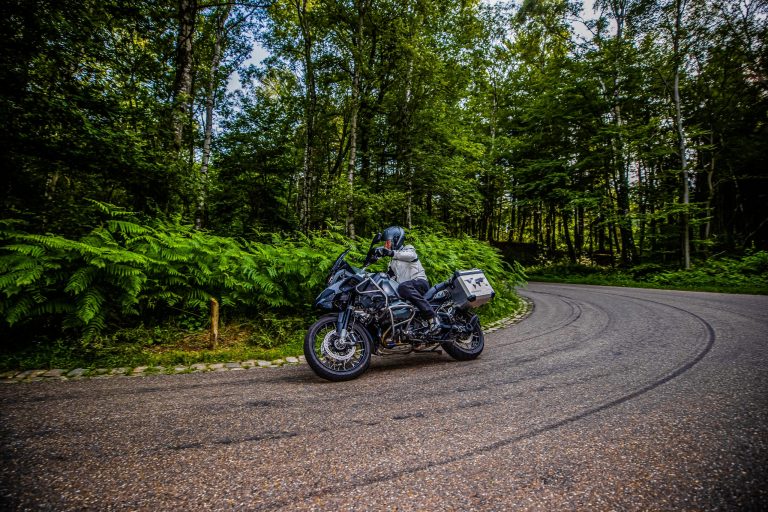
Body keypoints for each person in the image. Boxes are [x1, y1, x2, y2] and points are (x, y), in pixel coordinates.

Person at [374, 226, 441, 333]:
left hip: (419, 283)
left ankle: (432, 317)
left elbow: (410, 256)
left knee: (403, 287)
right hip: (406, 290)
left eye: (388, 242)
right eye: (386, 243)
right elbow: (390, 278)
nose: (386, 245)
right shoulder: (392, 262)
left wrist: (391, 253)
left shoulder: (408, 249)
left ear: (396, 239)